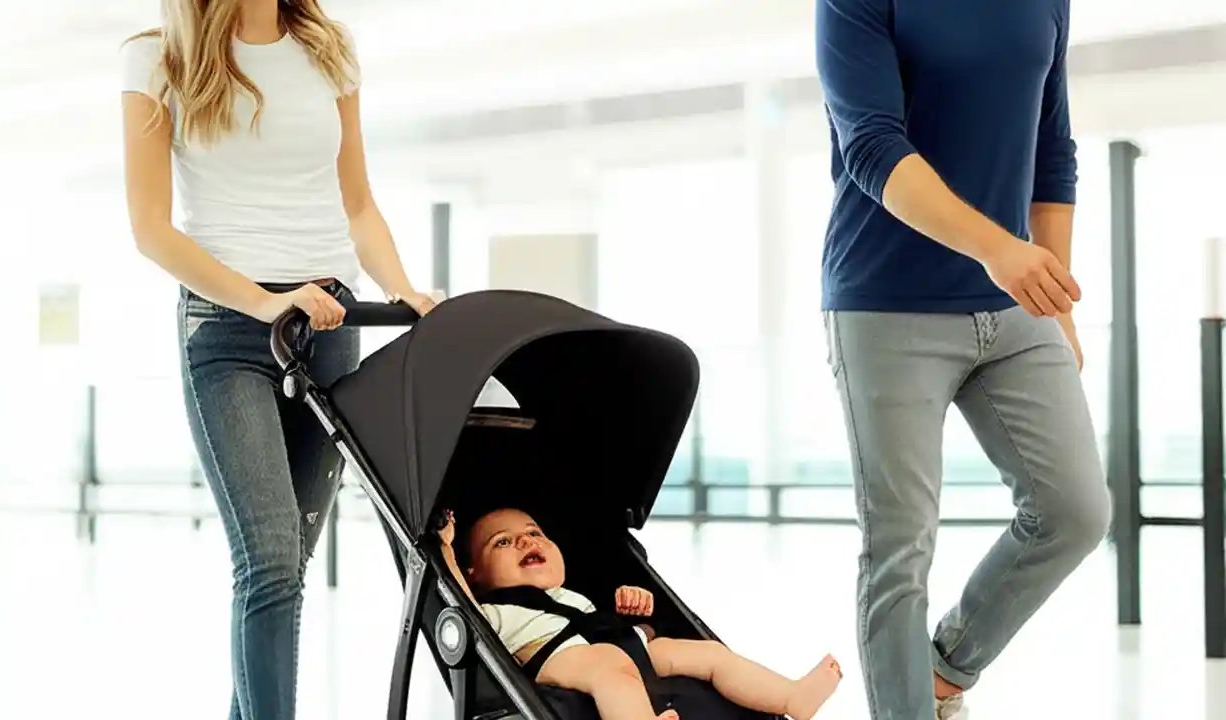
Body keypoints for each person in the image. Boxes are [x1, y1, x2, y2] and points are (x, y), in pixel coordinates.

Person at [119, 1, 435, 718]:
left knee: (284, 570)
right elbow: (150, 229)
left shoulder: (330, 48)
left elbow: (357, 204)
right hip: (229, 329)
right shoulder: (157, 56)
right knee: (267, 563)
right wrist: (265, 302)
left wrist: (400, 288)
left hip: (329, 324)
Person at [814, 1, 1110, 718]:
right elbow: (872, 146)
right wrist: (999, 250)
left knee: (1075, 510)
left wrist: (1055, 297)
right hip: (885, 304)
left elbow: (1052, 147)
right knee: (899, 547)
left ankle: (943, 669)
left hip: (1014, 304)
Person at [437, 508, 844, 720]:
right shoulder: (495, 611)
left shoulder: (571, 596)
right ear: (476, 576)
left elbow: (608, 622)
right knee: (613, 675)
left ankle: (790, 697)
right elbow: (462, 605)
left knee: (711, 655)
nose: (526, 541)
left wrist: (632, 604)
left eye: (535, 533)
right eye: (503, 542)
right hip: (566, 662)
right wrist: (446, 554)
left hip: (621, 644)